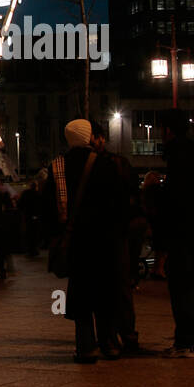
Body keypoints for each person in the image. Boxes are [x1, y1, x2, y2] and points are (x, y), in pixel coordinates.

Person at [43, 118, 120, 363]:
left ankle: (86, 346)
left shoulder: (57, 166)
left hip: (75, 240)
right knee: (105, 292)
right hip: (103, 239)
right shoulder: (105, 164)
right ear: (88, 136)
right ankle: (110, 343)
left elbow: (47, 207)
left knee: (81, 294)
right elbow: (117, 202)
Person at [90, 119, 140, 353]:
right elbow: (132, 197)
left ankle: (108, 336)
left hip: (98, 233)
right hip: (118, 231)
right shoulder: (120, 163)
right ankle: (127, 334)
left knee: (102, 286)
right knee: (121, 286)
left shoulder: (91, 166)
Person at [157, 110, 194, 357]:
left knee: (181, 288)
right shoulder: (193, 153)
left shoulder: (177, 158)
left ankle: (187, 341)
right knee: (189, 287)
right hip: (192, 232)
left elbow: (174, 203)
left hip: (182, 234)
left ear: (169, 131)